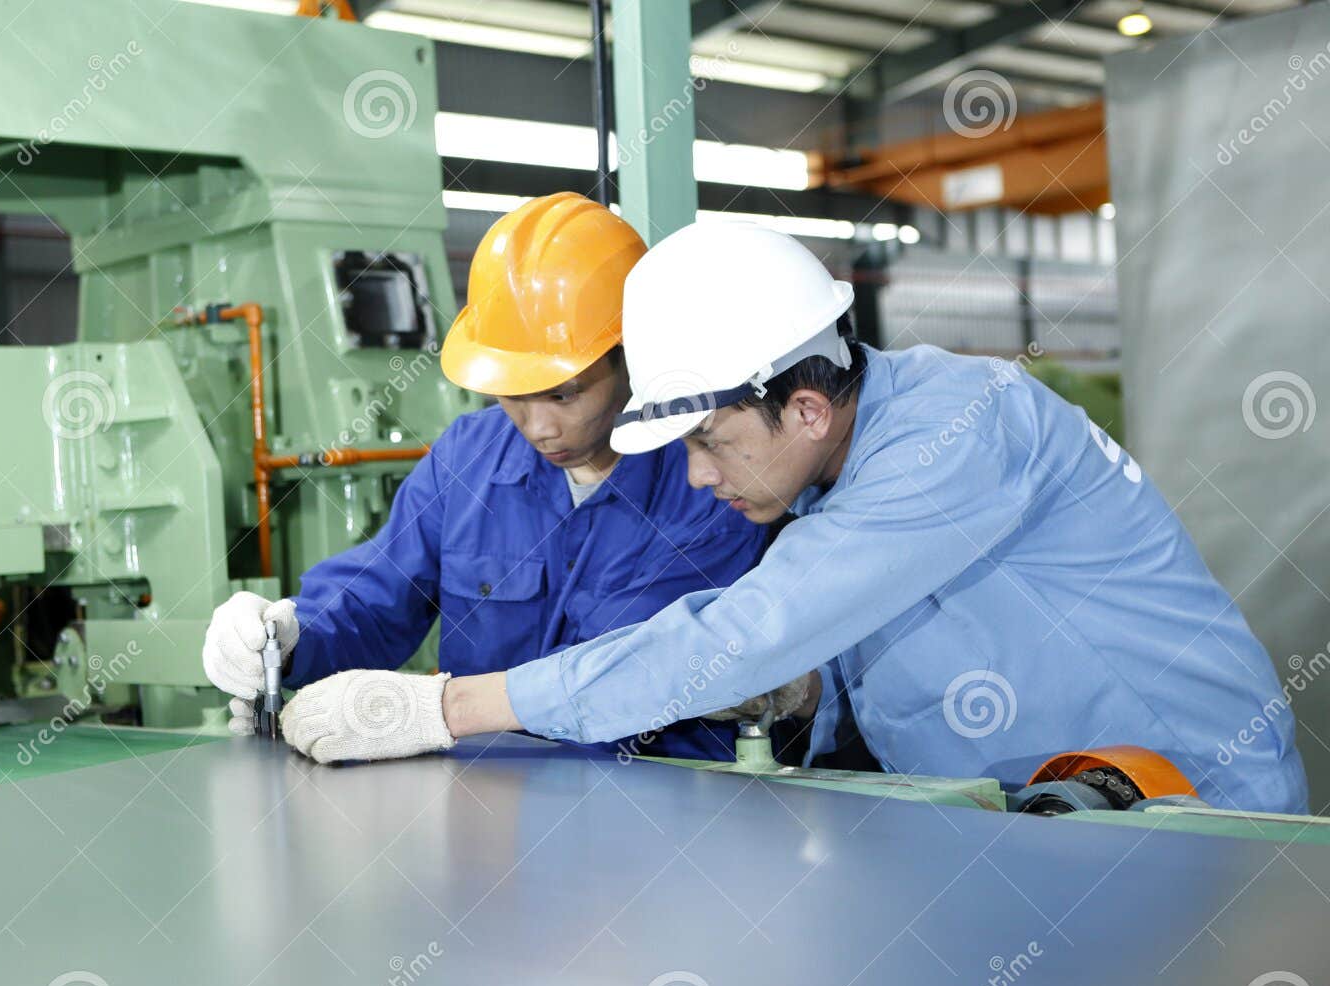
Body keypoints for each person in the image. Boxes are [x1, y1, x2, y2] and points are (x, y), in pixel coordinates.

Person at [280, 220, 1308, 815]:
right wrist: (806, 697)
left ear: (804, 406)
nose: (691, 477)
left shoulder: (956, 431)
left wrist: (445, 707)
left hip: (1187, 813)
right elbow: (838, 636)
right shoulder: (830, 460)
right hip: (1029, 821)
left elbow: (739, 632)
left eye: (707, 442)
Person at [203, 195, 764, 759]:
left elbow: (653, 669)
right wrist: (293, 637)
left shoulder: (712, 482)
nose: (538, 427)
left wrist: (443, 709)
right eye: (513, 393)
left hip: (663, 810)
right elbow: (378, 594)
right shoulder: (468, 458)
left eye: (564, 393)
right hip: (486, 810)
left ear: (632, 355)